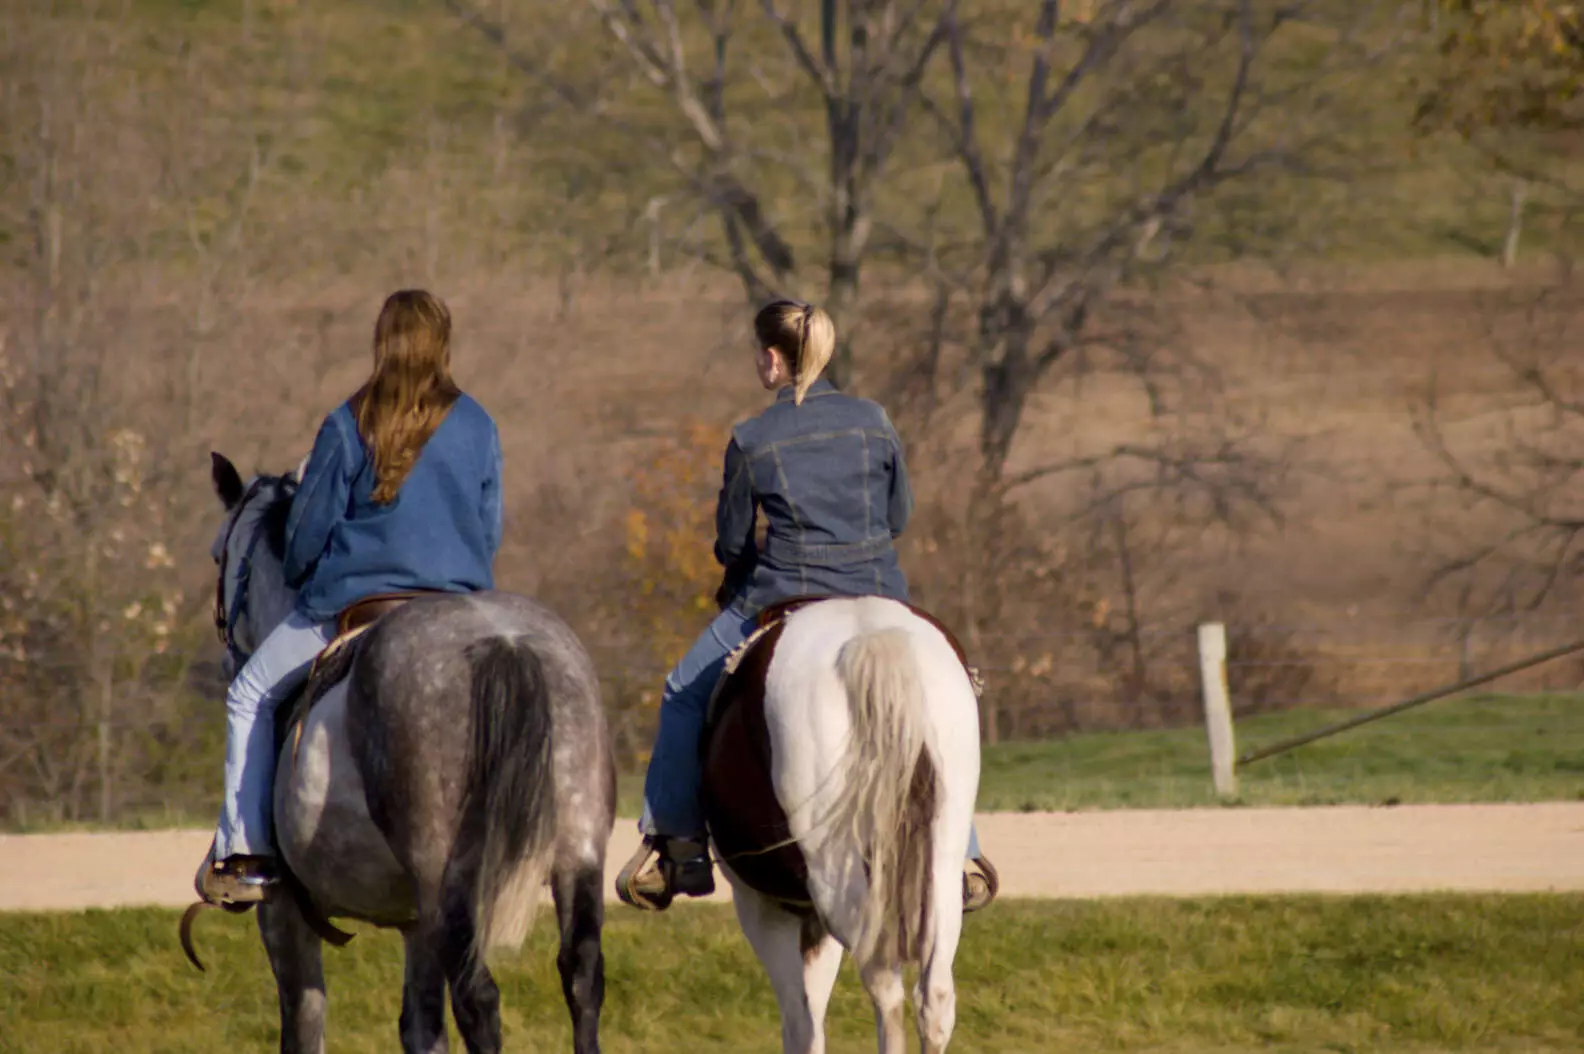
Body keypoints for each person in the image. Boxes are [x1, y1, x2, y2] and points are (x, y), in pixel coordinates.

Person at [617, 298, 996, 911]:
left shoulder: (751, 437)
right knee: (944, 694)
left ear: (772, 359)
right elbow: (899, 516)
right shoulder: (874, 419)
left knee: (682, 690)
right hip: (879, 587)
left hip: (782, 592)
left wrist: (736, 579)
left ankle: (677, 847)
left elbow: (732, 542)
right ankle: (963, 853)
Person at [198, 289, 503, 905]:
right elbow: (490, 525)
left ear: (381, 341)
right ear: (442, 345)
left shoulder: (347, 422)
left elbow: (307, 530)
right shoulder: (478, 422)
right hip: (456, 605)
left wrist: (311, 583)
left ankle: (244, 854)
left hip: (360, 606)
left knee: (250, 693)